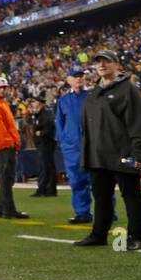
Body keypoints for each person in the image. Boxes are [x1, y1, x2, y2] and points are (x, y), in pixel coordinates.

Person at [74, 50, 141, 250]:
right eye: (98, 62)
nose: (102, 65)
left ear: (117, 65)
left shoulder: (128, 89)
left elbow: (139, 123)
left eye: (107, 61)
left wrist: (140, 153)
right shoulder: (93, 93)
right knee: (101, 197)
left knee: (131, 194)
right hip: (98, 156)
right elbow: (87, 128)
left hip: (124, 154)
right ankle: (99, 234)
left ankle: (136, 237)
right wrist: (87, 154)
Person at [56, 67, 103, 225]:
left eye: (81, 76)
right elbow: (59, 124)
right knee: (77, 181)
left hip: (93, 145)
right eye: (75, 76)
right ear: (68, 79)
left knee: (100, 180)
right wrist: (65, 142)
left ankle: (107, 211)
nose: (79, 79)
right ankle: (82, 213)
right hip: (72, 148)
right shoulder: (63, 101)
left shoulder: (93, 96)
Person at [0, 77, 28, 219]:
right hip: (3, 145)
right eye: (0, 87)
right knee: (7, 178)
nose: (3, 89)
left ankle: (2, 209)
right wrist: (10, 142)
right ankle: (8, 210)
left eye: (4, 87)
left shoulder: (0, 103)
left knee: (5, 179)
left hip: (2, 144)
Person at [28, 95, 57, 198]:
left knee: (44, 166)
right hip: (43, 143)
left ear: (40, 103)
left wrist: (42, 132)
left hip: (45, 143)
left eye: (34, 101)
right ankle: (50, 190)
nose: (32, 103)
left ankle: (42, 189)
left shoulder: (46, 113)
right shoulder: (40, 114)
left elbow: (50, 126)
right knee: (47, 166)